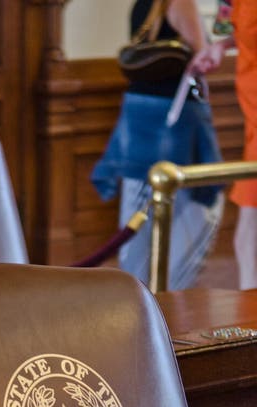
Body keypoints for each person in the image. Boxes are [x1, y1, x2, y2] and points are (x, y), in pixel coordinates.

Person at [91, 0, 224, 290]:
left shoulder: (142, 5)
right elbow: (202, 58)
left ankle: (139, 290)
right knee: (190, 210)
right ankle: (165, 293)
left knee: (139, 209)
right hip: (172, 119)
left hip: (139, 115)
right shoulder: (181, 3)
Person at [195, 0, 257, 289]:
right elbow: (236, 28)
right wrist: (221, 45)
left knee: (248, 235)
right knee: (247, 237)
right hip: (252, 116)